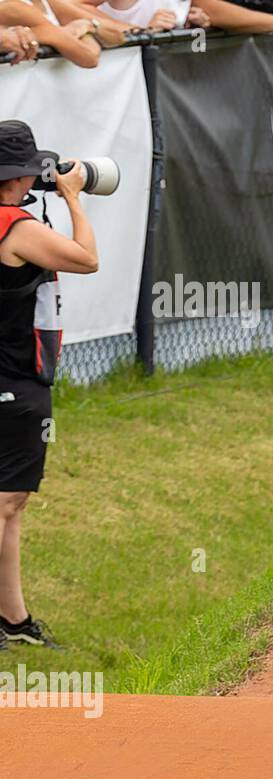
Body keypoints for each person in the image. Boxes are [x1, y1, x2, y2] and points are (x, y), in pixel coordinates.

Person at [0, 120, 99, 652]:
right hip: (13, 380)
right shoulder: (13, 227)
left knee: (10, 502)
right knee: (3, 502)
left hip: (13, 378)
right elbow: (87, 258)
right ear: (17, 179)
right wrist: (74, 200)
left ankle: (12, 619)